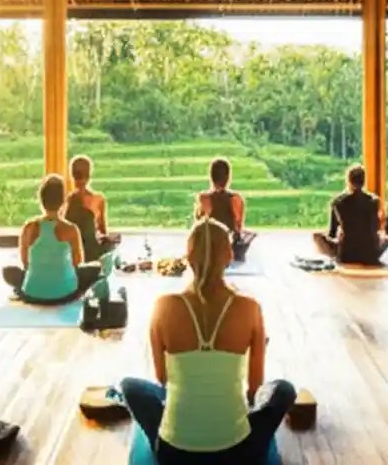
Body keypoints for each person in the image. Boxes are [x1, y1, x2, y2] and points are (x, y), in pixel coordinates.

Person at [120, 218, 296, 464]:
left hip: (175, 455)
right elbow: (254, 388)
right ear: (229, 254)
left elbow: (162, 378)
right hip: (238, 453)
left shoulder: (163, 306)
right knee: (283, 390)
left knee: (130, 386)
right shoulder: (250, 308)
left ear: (188, 256)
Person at [2, 174, 102, 304]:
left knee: (8, 271)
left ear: (41, 199)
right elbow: (77, 262)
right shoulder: (71, 229)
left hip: (31, 293)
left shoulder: (29, 227)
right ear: (63, 201)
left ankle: (28, 290)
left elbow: (25, 262)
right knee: (96, 268)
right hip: (65, 294)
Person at [313, 164, 388, 265]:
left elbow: (332, 232)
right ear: (364, 181)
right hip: (370, 254)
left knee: (316, 236)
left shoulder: (338, 202)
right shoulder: (374, 201)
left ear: (348, 180)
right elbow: (375, 229)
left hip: (346, 254)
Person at [194, 158, 254, 262]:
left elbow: (199, 227)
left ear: (211, 177)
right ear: (228, 177)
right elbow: (238, 227)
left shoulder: (204, 198)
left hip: (210, 252)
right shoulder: (237, 199)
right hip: (232, 251)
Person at [65, 155, 115, 263]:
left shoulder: (66, 201)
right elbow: (103, 231)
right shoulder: (98, 200)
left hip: (69, 255)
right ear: (89, 174)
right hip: (91, 255)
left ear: (71, 175)